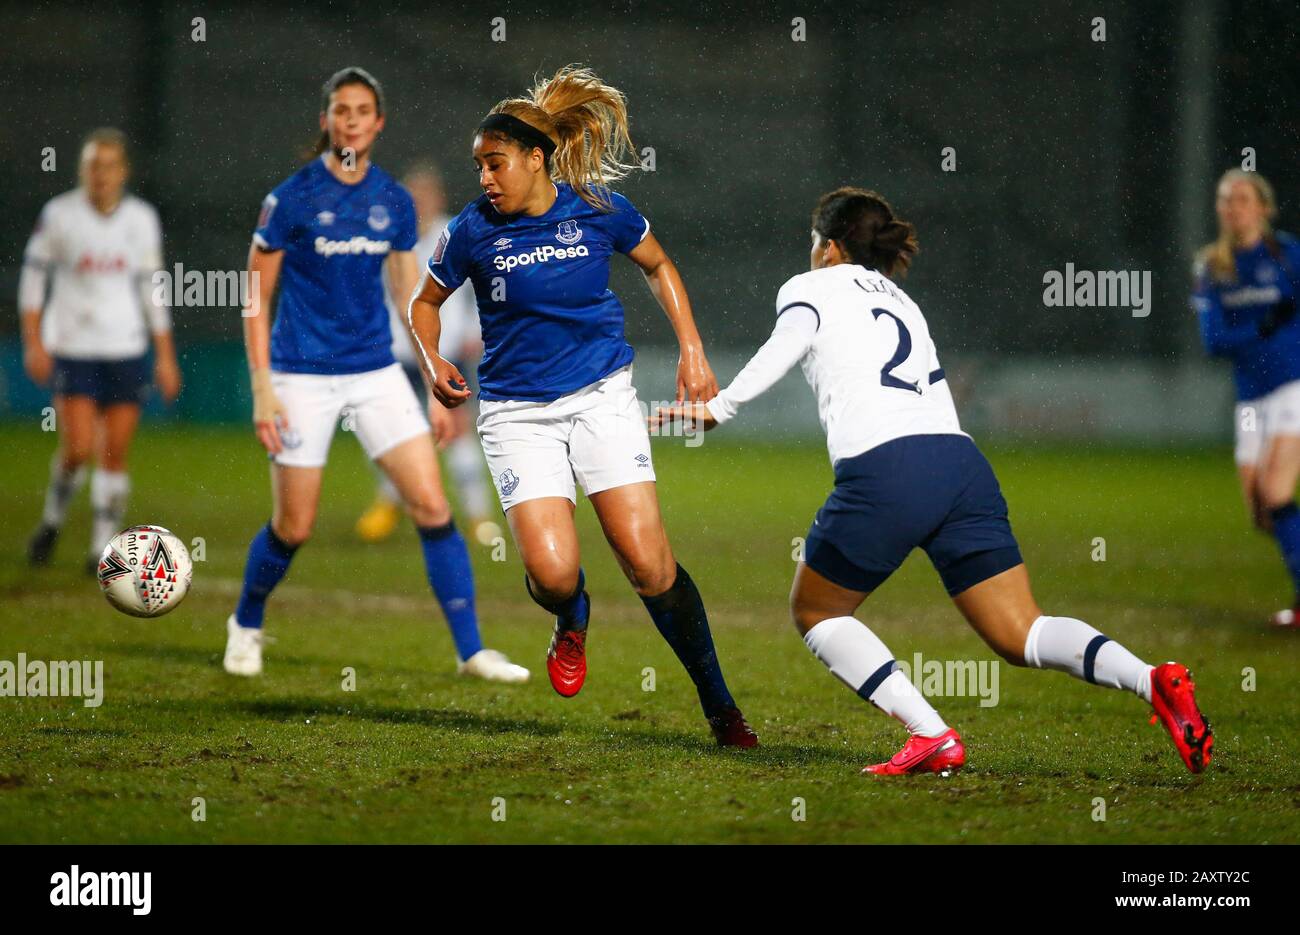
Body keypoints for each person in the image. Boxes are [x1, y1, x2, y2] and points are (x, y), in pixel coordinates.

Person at [655, 187, 1213, 774]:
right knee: (1022, 631)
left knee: (818, 613)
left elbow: (785, 344)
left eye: (814, 243)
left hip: (887, 469)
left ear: (830, 246)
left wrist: (722, 407)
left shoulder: (809, 286)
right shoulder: (902, 301)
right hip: (961, 466)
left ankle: (931, 734)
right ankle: (1152, 680)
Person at [406, 65, 756, 746]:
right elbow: (424, 303)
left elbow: (657, 263)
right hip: (515, 412)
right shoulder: (472, 230)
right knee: (553, 571)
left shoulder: (597, 209)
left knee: (651, 565)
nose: (484, 178)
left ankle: (720, 705)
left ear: (536, 158)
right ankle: (572, 618)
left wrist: (692, 347)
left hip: (601, 398)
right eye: (478, 165)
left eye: (495, 162)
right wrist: (433, 361)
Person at [223, 66, 527, 684]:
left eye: (363, 110)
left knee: (432, 505)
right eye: (342, 110)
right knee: (295, 525)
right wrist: (261, 388)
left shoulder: (392, 200)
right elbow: (255, 296)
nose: (352, 120)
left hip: (374, 372)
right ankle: (246, 623)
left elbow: (407, 299)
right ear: (327, 121)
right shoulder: (292, 199)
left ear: (377, 122)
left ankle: (472, 652)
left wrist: (436, 383)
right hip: (300, 375)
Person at [21, 127, 181, 575]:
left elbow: (154, 290)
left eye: (110, 166)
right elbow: (33, 282)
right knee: (77, 449)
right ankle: (53, 519)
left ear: (123, 172)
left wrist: (165, 356)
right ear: (82, 170)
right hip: (72, 347)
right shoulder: (59, 215)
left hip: (125, 348)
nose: (101, 174)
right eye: (94, 165)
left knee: (114, 452)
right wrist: (34, 341)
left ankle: (99, 550)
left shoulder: (141, 219)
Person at [355, 162, 500, 547]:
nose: (418, 203)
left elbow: (478, 290)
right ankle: (389, 504)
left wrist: (475, 332)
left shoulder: (455, 234)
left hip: (447, 355)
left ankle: (479, 516)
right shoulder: (385, 237)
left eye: (425, 195)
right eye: (411, 196)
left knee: (457, 435)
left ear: (438, 198)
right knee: (394, 435)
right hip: (395, 355)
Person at [1193, 169, 1300, 628]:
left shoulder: (1288, 255)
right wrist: (1264, 325)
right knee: (1262, 511)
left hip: (1292, 386)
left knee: (1277, 492)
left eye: (1241, 198)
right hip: (1250, 400)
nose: (1232, 207)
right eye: (1225, 199)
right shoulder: (1212, 266)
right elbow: (1214, 340)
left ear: (1263, 207)